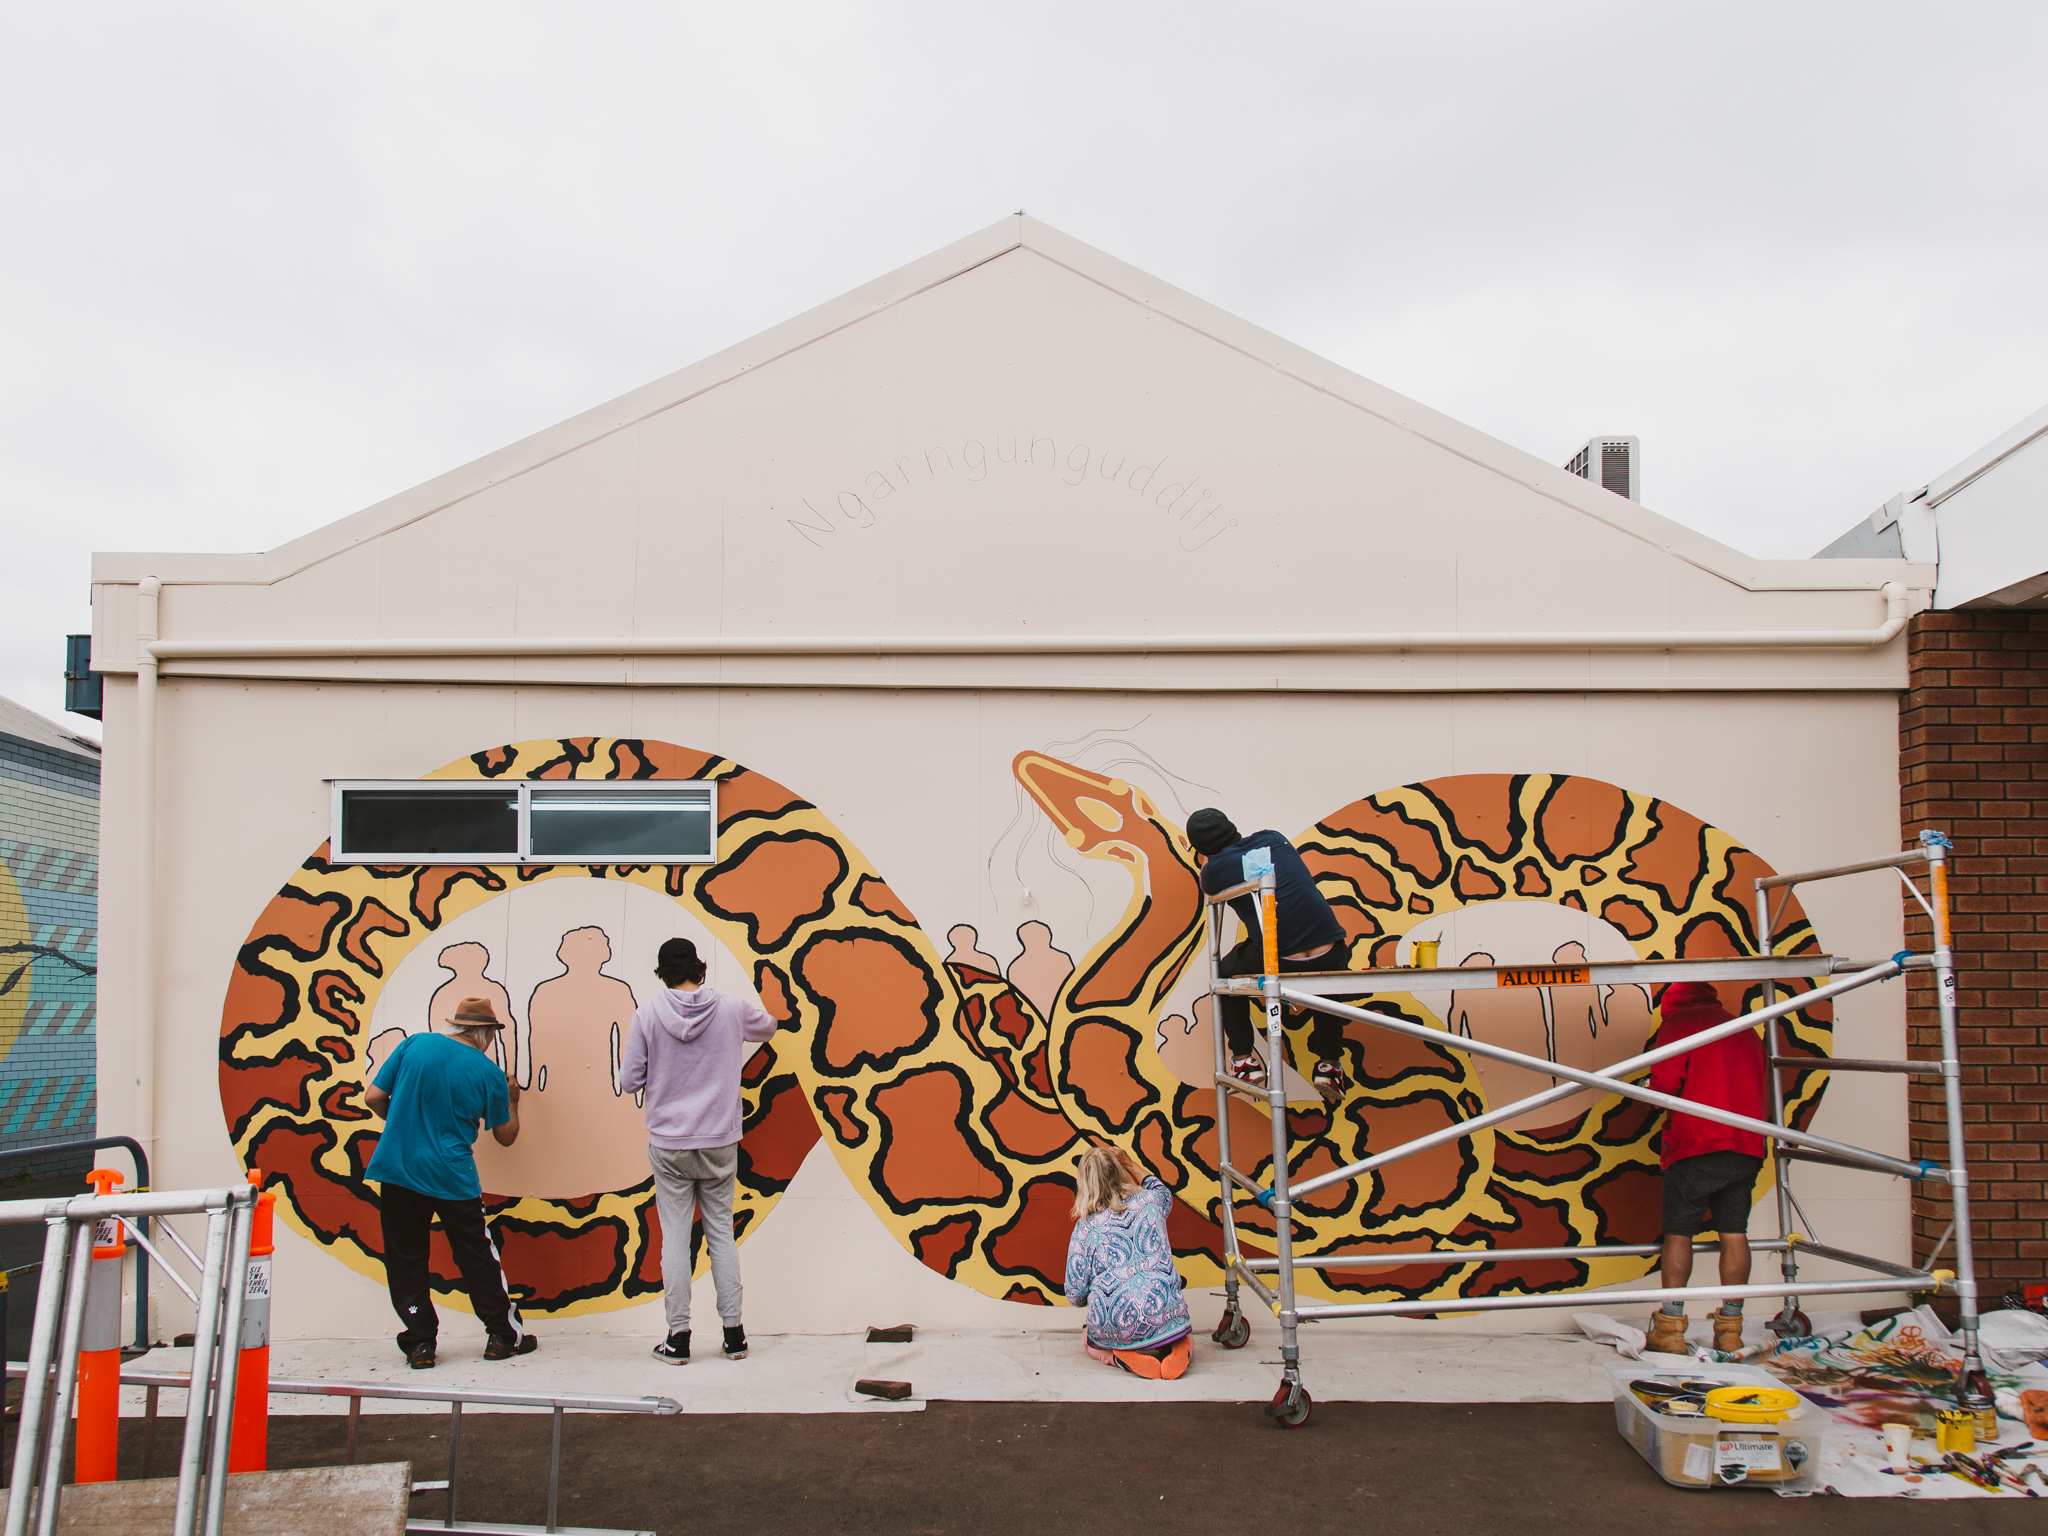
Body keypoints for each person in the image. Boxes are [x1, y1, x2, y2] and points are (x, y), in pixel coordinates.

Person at [620, 937, 776, 1365]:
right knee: (720, 1232)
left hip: (670, 1142)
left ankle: (678, 1337)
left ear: (662, 972)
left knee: (674, 1236)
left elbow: (629, 1080)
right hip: (719, 1139)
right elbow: (768, 1027)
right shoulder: (730, 1007)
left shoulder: (647, 1014)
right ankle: (734, 1334)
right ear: (699, 967)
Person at [365, 996, 536, 1369]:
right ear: (485, 1033)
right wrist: (512, 1101)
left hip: (398, 1168)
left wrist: (400, 1122)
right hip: (452, 1174)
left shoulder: (414, 1044)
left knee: (406, 1257)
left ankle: (420, 1342)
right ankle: (502, 1335)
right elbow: (505, 1136)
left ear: (456, 1024)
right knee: (476, 1254)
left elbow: (373, 1096)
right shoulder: (488, 1073)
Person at [1187, 807, 1350, 1103]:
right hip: (1331, 948)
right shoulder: (1274, 839)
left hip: (1281, 957)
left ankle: (1243, 1060)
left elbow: (1212, 875)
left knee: (1224, 976)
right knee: (1328, 983)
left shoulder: (1212, 874)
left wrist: (1206, 860)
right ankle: (1329, 1064)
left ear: (1202, 849)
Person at [1643, 981, 1767, 1355]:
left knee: (1679, 1234)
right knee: (1734, 1233)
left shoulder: (1679, 1025)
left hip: (1695, 1143)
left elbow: (1665, 1085)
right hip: (1745, 1143)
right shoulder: (1744, 1027)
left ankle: (1670, 1328)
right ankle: (1730, 1329)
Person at [1063, 1144, 1193, 1378]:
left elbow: (1074, 1293)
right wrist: (1130, 1163)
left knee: (1088, 1339)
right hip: (1166, 1314)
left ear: (1084, 1183)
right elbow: (1163, 1192)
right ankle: (1180, 1347)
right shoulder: (1151, 1201)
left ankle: (1119, 1356)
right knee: (1179, 1328)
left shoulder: (1085, 1229)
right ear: (1119, 1170)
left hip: (1119, 1324)